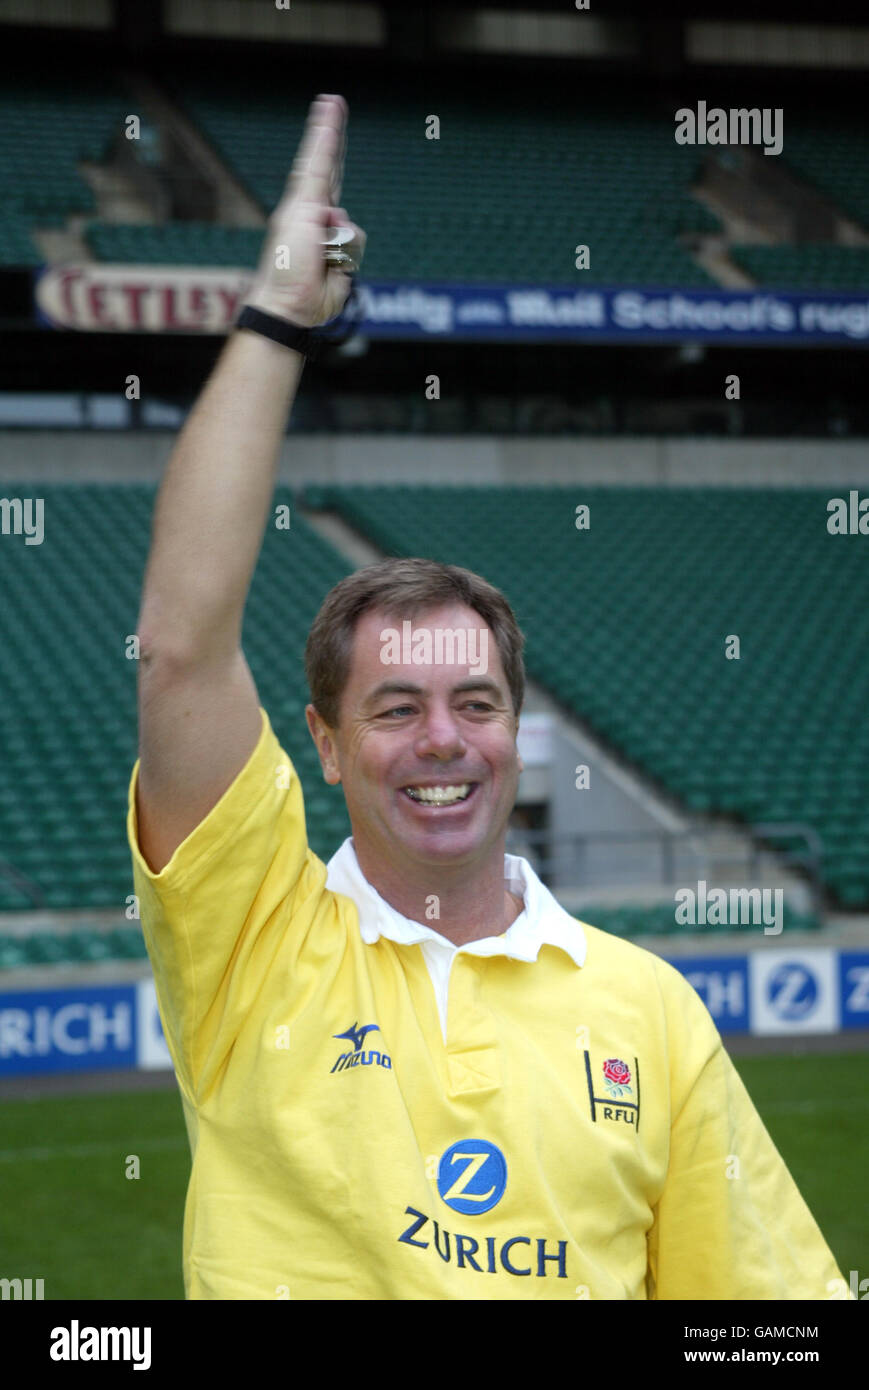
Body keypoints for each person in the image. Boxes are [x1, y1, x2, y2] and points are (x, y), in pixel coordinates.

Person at [127, 94, 848, 1301]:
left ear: (516, 730)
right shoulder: (251, 939)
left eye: (474, 701)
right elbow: (181, 648)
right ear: (324, 740)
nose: (442, 740)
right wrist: (274, 319)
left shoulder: (651, 1010)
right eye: (394, 706)